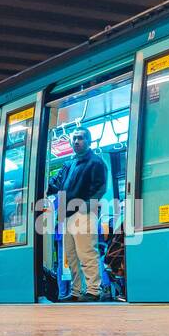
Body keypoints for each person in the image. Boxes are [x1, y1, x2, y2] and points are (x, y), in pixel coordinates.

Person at [45, 129, 108, 301]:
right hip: (66, 215)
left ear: (88, 141)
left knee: (87, 253)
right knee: (71, 257)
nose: (76, 142)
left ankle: (94, 290)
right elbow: (55, 184)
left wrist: (85, 206)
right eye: (74, 139)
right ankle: (77, 291)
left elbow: (100, 187)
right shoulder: (69, 164)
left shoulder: (96, 162)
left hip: (84, 214)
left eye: (80, 138)